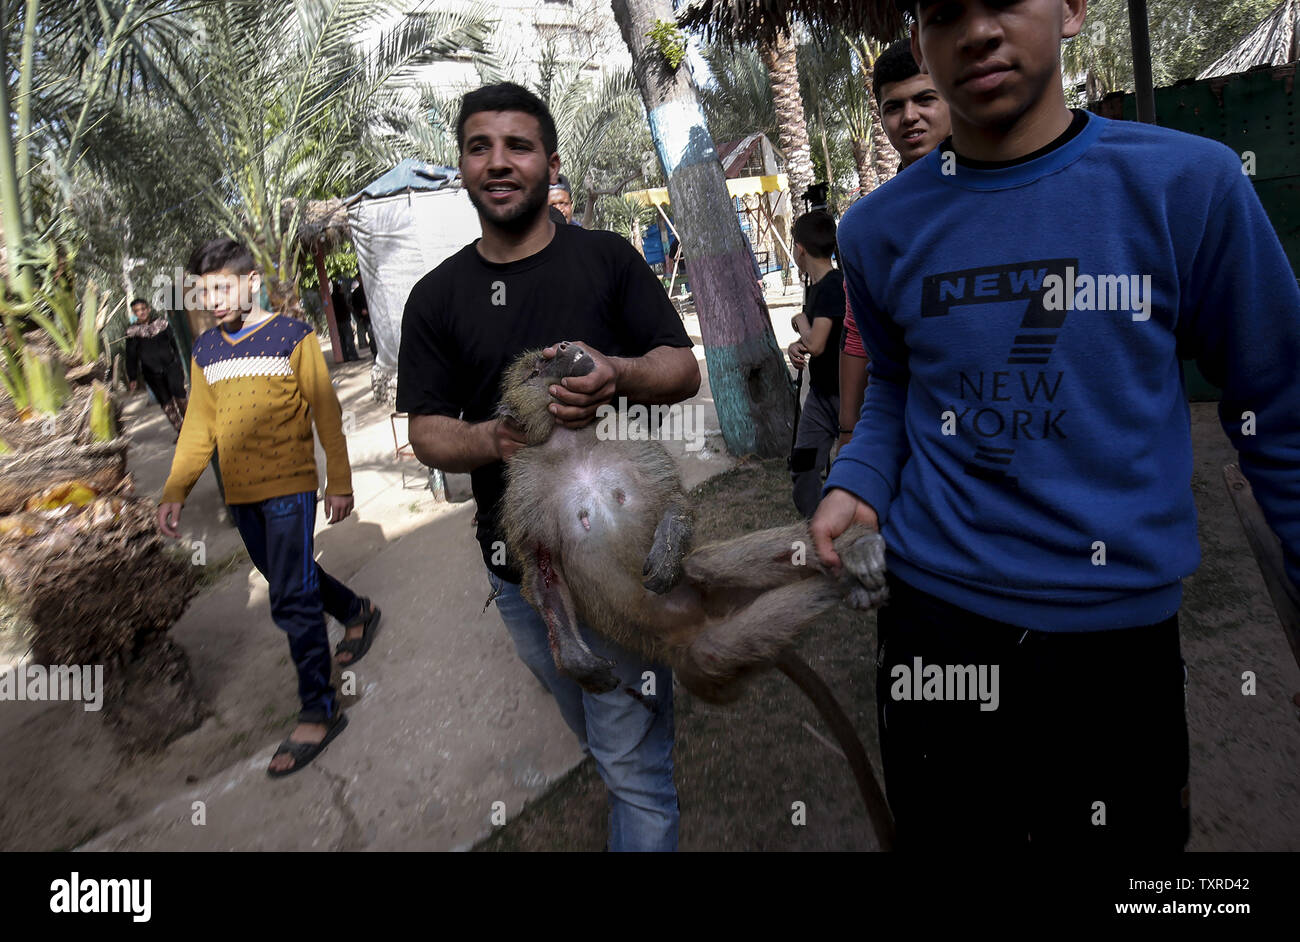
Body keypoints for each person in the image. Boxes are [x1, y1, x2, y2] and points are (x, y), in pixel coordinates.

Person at [813, 0, 1300, 850]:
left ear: (1073, 8)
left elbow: (1280, 405)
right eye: (945, 11)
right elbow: (894, 385)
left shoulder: (1190, 185)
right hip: (934, 623)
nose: (978, 29)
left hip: (1115, 647)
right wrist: (855, 479)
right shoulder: (877, 229)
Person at [397, 82, 699, 852]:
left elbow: (681, 369)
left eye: (518, 146)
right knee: (594, 725)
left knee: (633, 766)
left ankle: (639, 786)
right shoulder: (436, 298)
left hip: (615, 553)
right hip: (517, 574)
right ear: (462, 164)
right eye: (479, 146)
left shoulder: (605, 258)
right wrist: (491, 442)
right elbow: (428, 432)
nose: (499, 162)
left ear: (550, 162)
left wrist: (618, 374)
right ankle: (634, 758)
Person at [157, 238, 382, 777]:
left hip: (290, 488)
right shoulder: (206, 351)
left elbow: (327, 412)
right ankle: (357, 612)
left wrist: (340, 481)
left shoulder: (292, 337)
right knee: (292, 578)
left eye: (221, 287)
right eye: (203, 290)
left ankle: (319, 709)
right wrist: (175, 489)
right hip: (242, 497)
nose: (212, 299)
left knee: (292, 598)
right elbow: (198, 429)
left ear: (250, 282)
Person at [838, 38, 951, 452]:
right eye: (893, 107)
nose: (910, 117)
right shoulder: (871, 225)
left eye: (925, 98)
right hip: (917, 436)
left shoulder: (1005, 189)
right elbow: (857, 335)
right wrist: (849, 433)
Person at [786, 210, 845, 518]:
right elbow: (812, 340)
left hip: (844, 397)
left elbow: (818, 344)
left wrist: (800, 322)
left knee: (850, 471)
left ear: (800, 248)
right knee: (804, 467)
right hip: (819, 397)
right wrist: (797, 345)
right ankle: (817, 528)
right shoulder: (818, 287)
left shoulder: (834, 285)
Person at [124, 298, 188, 440]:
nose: (141, 313)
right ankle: (181, 431)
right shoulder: (132, 332)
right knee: (166, 402)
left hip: (171, 366)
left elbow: (174, 344)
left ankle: (192, 427)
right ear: (134, 313)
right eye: (137, 311)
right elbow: (131, 356)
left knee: (180, 395)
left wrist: (178, 362)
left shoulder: (162, 324)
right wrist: (132, 377)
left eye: (143, 309)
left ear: (148, 309)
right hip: (151, 373)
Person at [330, 277, 360, 361]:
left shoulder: (332, 298)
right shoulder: (341, 297)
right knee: (349, 338)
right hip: (344, 320)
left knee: (342, 340)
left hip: (337, 322)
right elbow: (346, 308)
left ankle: (345, 357)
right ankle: (353, 355)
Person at [350, 276, 375, 357]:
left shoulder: (370, 288)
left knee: (373, 335)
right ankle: (375, 353)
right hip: (367, 317)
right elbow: (355, 306)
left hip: (373, 316)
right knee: (372, 335)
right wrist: (360, 314)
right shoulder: (357, 292)